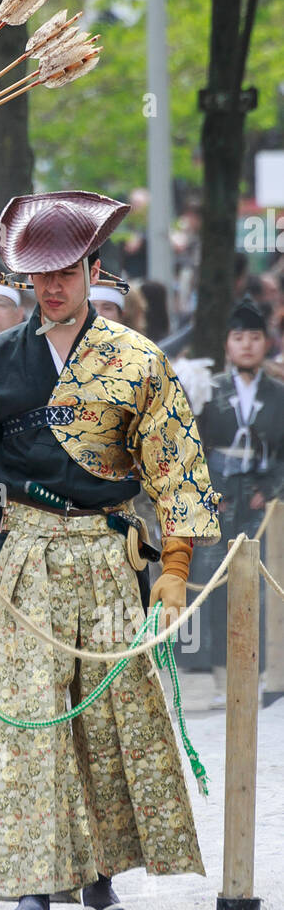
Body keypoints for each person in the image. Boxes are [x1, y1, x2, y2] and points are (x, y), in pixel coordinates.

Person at [0, 190, 220, 910]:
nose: (52, 287)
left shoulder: (138, 362)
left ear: (92, 269)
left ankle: (98, 878)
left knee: (108, 720)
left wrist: (176, 567)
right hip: (24, 555)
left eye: (65, 271)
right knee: (31, 723)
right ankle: (31, 887)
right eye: (38, 275)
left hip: (108, 553)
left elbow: (174, 469)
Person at [194, 297, 284, 699]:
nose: (246, 344)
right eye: (238, 337)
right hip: (220, 498)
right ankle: (219, 675)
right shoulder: (207, 391)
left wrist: (271, 491)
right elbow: (194, 449)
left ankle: (264, 672)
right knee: (215, 585)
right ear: (227, 345)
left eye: (254, 337)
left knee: (264, 586)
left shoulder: (279, 394)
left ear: (266, 343)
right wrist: (211, 493)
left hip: (263, 502)